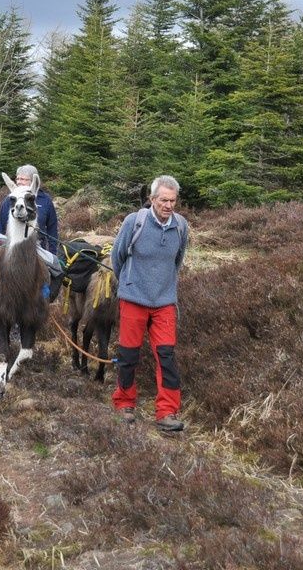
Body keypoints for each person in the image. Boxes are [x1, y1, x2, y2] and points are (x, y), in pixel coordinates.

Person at [109, 175, 189, 432]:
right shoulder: (135, 222)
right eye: (163, 200)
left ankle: (167, 411)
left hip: (164, 302)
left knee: (166, 357)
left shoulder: (181, 226)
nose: (168, 205)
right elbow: (117, 257)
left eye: (173, 201)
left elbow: (177, 261)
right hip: (133, 299)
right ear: (152, 199)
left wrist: (164, 287)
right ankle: (124, 403)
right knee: (128, 354)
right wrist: (130, 284)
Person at [0, 164, 59, 255]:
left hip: (38, 248)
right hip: (12, 248)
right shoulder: (11, 200)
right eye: (18, 179)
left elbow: (52, 229)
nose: (19, 182)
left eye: (23, 179)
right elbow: (0, 225)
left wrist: (53, 253)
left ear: (33, 181)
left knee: (54, 267)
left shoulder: (45, 200)